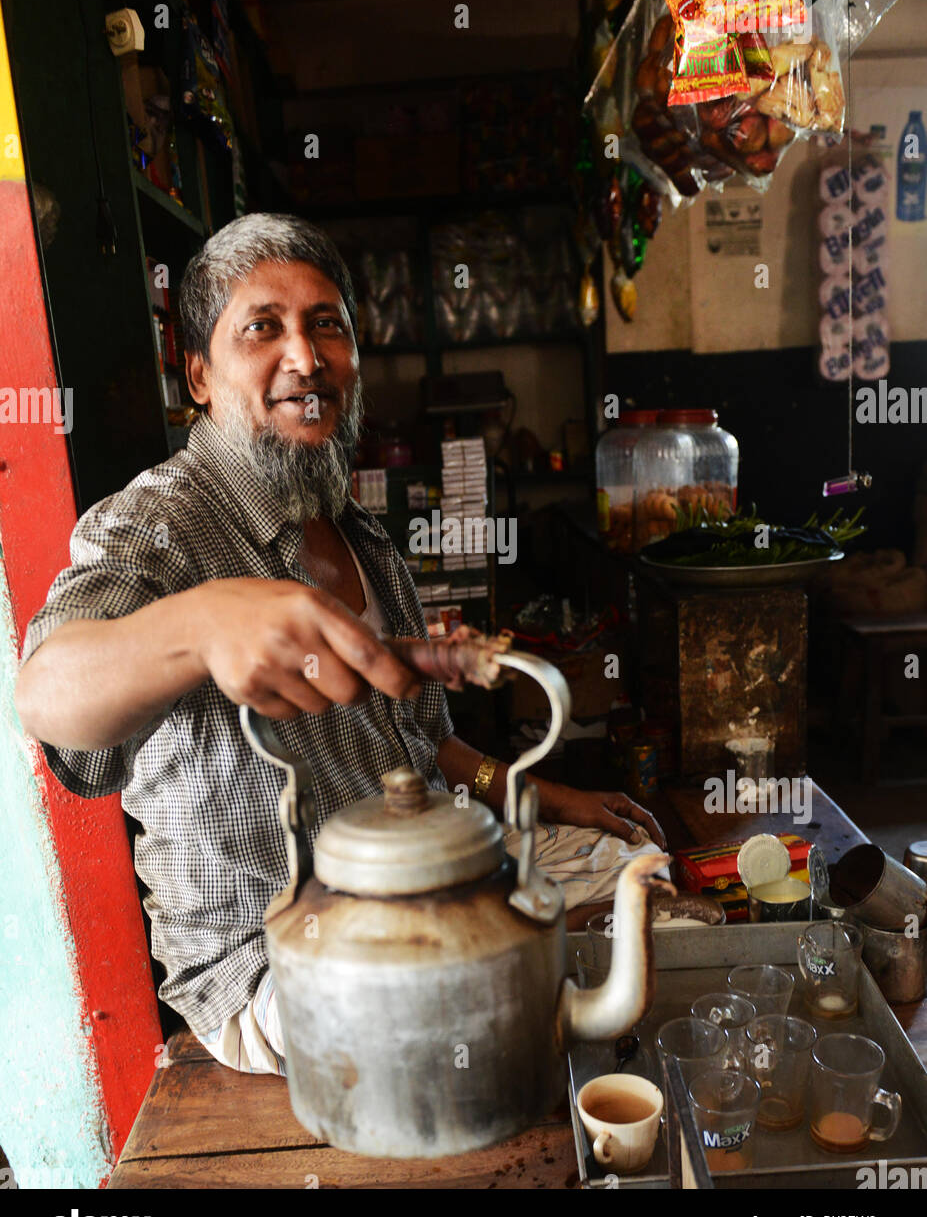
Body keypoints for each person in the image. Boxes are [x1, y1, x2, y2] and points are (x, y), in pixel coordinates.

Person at [16, 213, 666, 1075]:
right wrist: (199, 622)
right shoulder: (157, 525)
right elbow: (48, 695)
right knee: (504, 1002)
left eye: (328, 324)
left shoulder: (363, 540)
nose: (305, 356)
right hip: (284, 961)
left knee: (642, 877)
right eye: (263, 328)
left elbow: (434, 748)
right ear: (200, 375)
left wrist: (538, 793)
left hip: (434, 877)